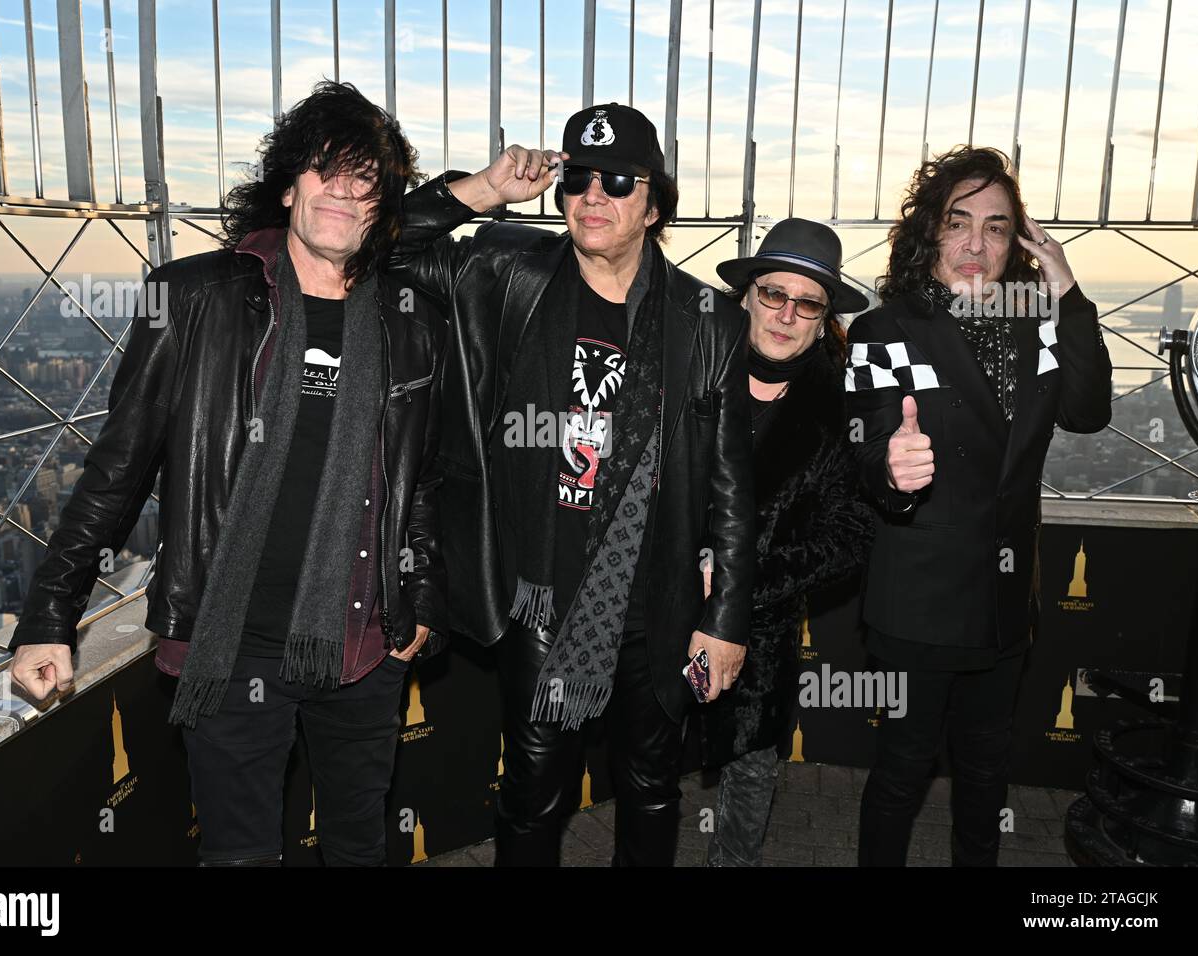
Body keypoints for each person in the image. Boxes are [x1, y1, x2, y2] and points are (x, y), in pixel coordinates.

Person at [7, 81, 448, 867]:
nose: (343, 194)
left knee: (359, 846)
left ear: (382, 206)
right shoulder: (196, 298)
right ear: (288, 185)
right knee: (241, 857)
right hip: (229, 636)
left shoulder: (407, 319)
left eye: (365, 181)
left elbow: (417, 477)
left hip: (362, 638)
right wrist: (49, 613)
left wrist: (419, 593)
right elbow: (117, 470)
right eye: (326, 172)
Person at [389, 103, 755, 866]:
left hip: (654, 603)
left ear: (654, 204)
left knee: (652, 787)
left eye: (618, 181)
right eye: (578, 179)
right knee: (532, 795)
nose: (593, 194)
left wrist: (724, 620)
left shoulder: (706, 319)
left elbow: (728, 484)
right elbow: (375, 244)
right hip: (540, 595)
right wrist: (480, 192)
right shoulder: (504, 272)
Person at [848, 145, 1112, 866]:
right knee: (901, 773)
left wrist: (1068, 293)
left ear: (1015, 243)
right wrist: (889, 470)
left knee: (985, 775)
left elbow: (1087, 414)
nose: (975, 243)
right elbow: (866, 451)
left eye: (996, 228)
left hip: (1002, 601)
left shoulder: (1041, 325)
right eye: (958, 222)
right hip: (919, 600)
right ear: (929, 232)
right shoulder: (885, 330)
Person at [700, 220, 875, 866]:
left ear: (823, 317)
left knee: (741, 819)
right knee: (646, 797)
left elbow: (851, 536)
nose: (786, 314)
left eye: (807, 303)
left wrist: (741, 582)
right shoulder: (690, 373)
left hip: (760, 642)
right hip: (657, 624)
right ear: (745, 294)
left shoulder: (839, 411)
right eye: (774, 294)